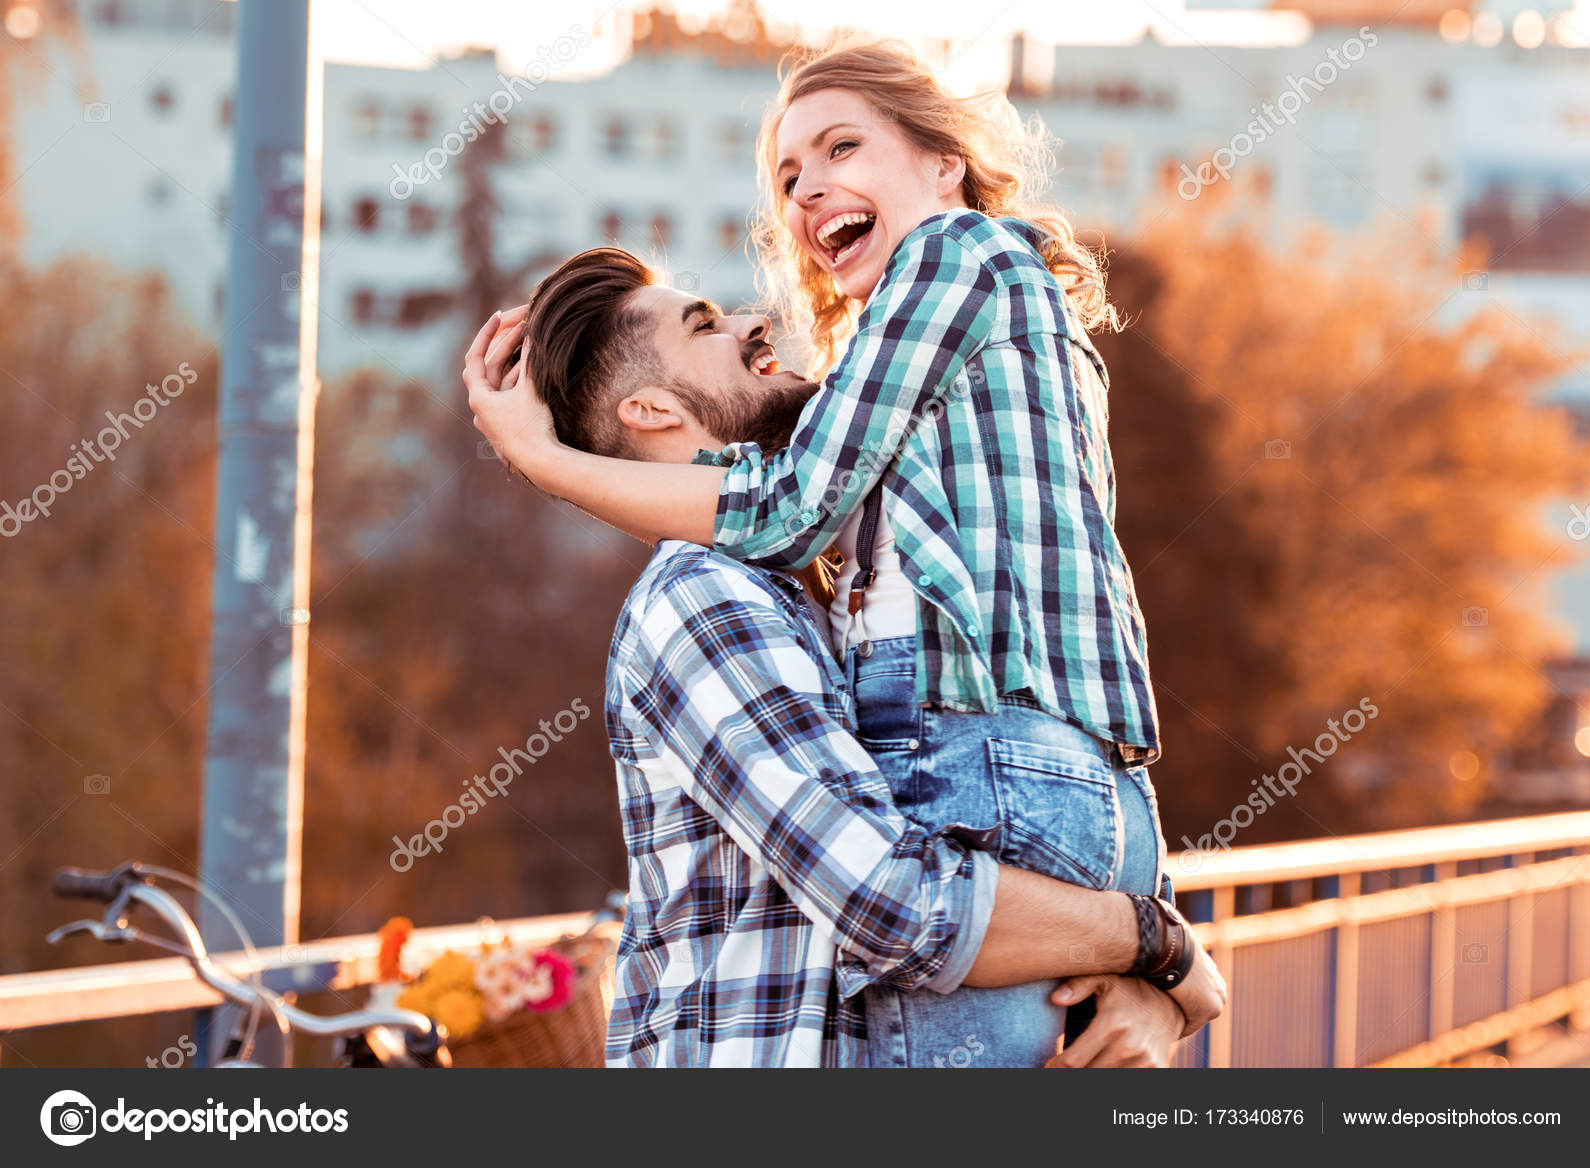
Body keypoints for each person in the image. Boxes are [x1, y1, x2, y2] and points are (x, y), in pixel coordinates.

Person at [463, 248, 1223, 1068]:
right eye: (706, 325)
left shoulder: (827, 588)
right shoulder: (703, 597)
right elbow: (889, 901)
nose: (753, 321)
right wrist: (1155, 942)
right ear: (650, 410)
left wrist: (1148, 988)